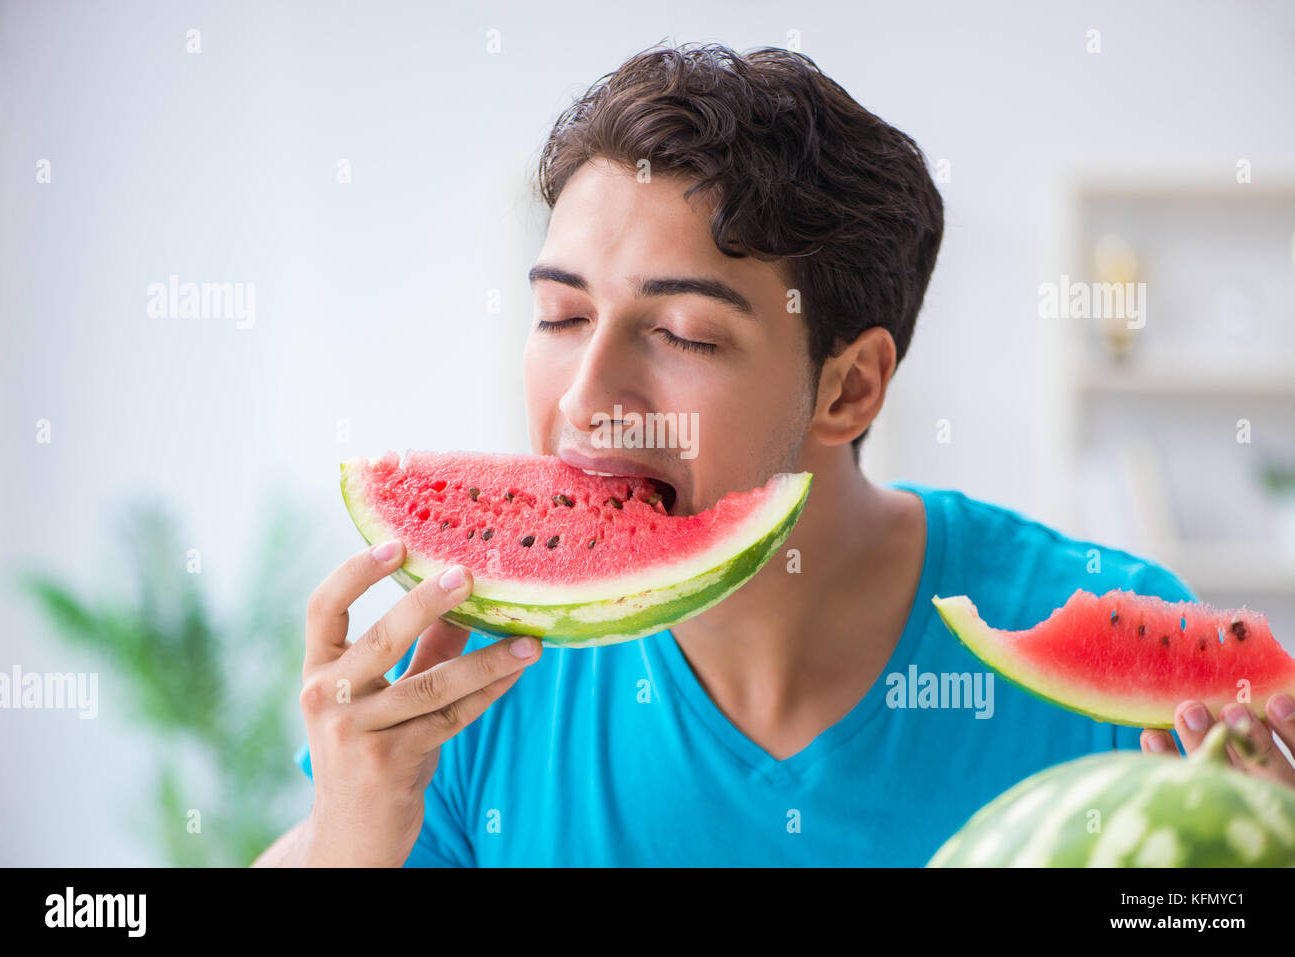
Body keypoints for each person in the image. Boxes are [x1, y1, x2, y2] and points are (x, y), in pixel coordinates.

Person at [253, 42, 1295, 867]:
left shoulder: (1126, 688)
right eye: (560, 314)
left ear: (849, 387)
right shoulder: (451, 679)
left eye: (685, 336)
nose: (584, 397)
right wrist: (350, 835)